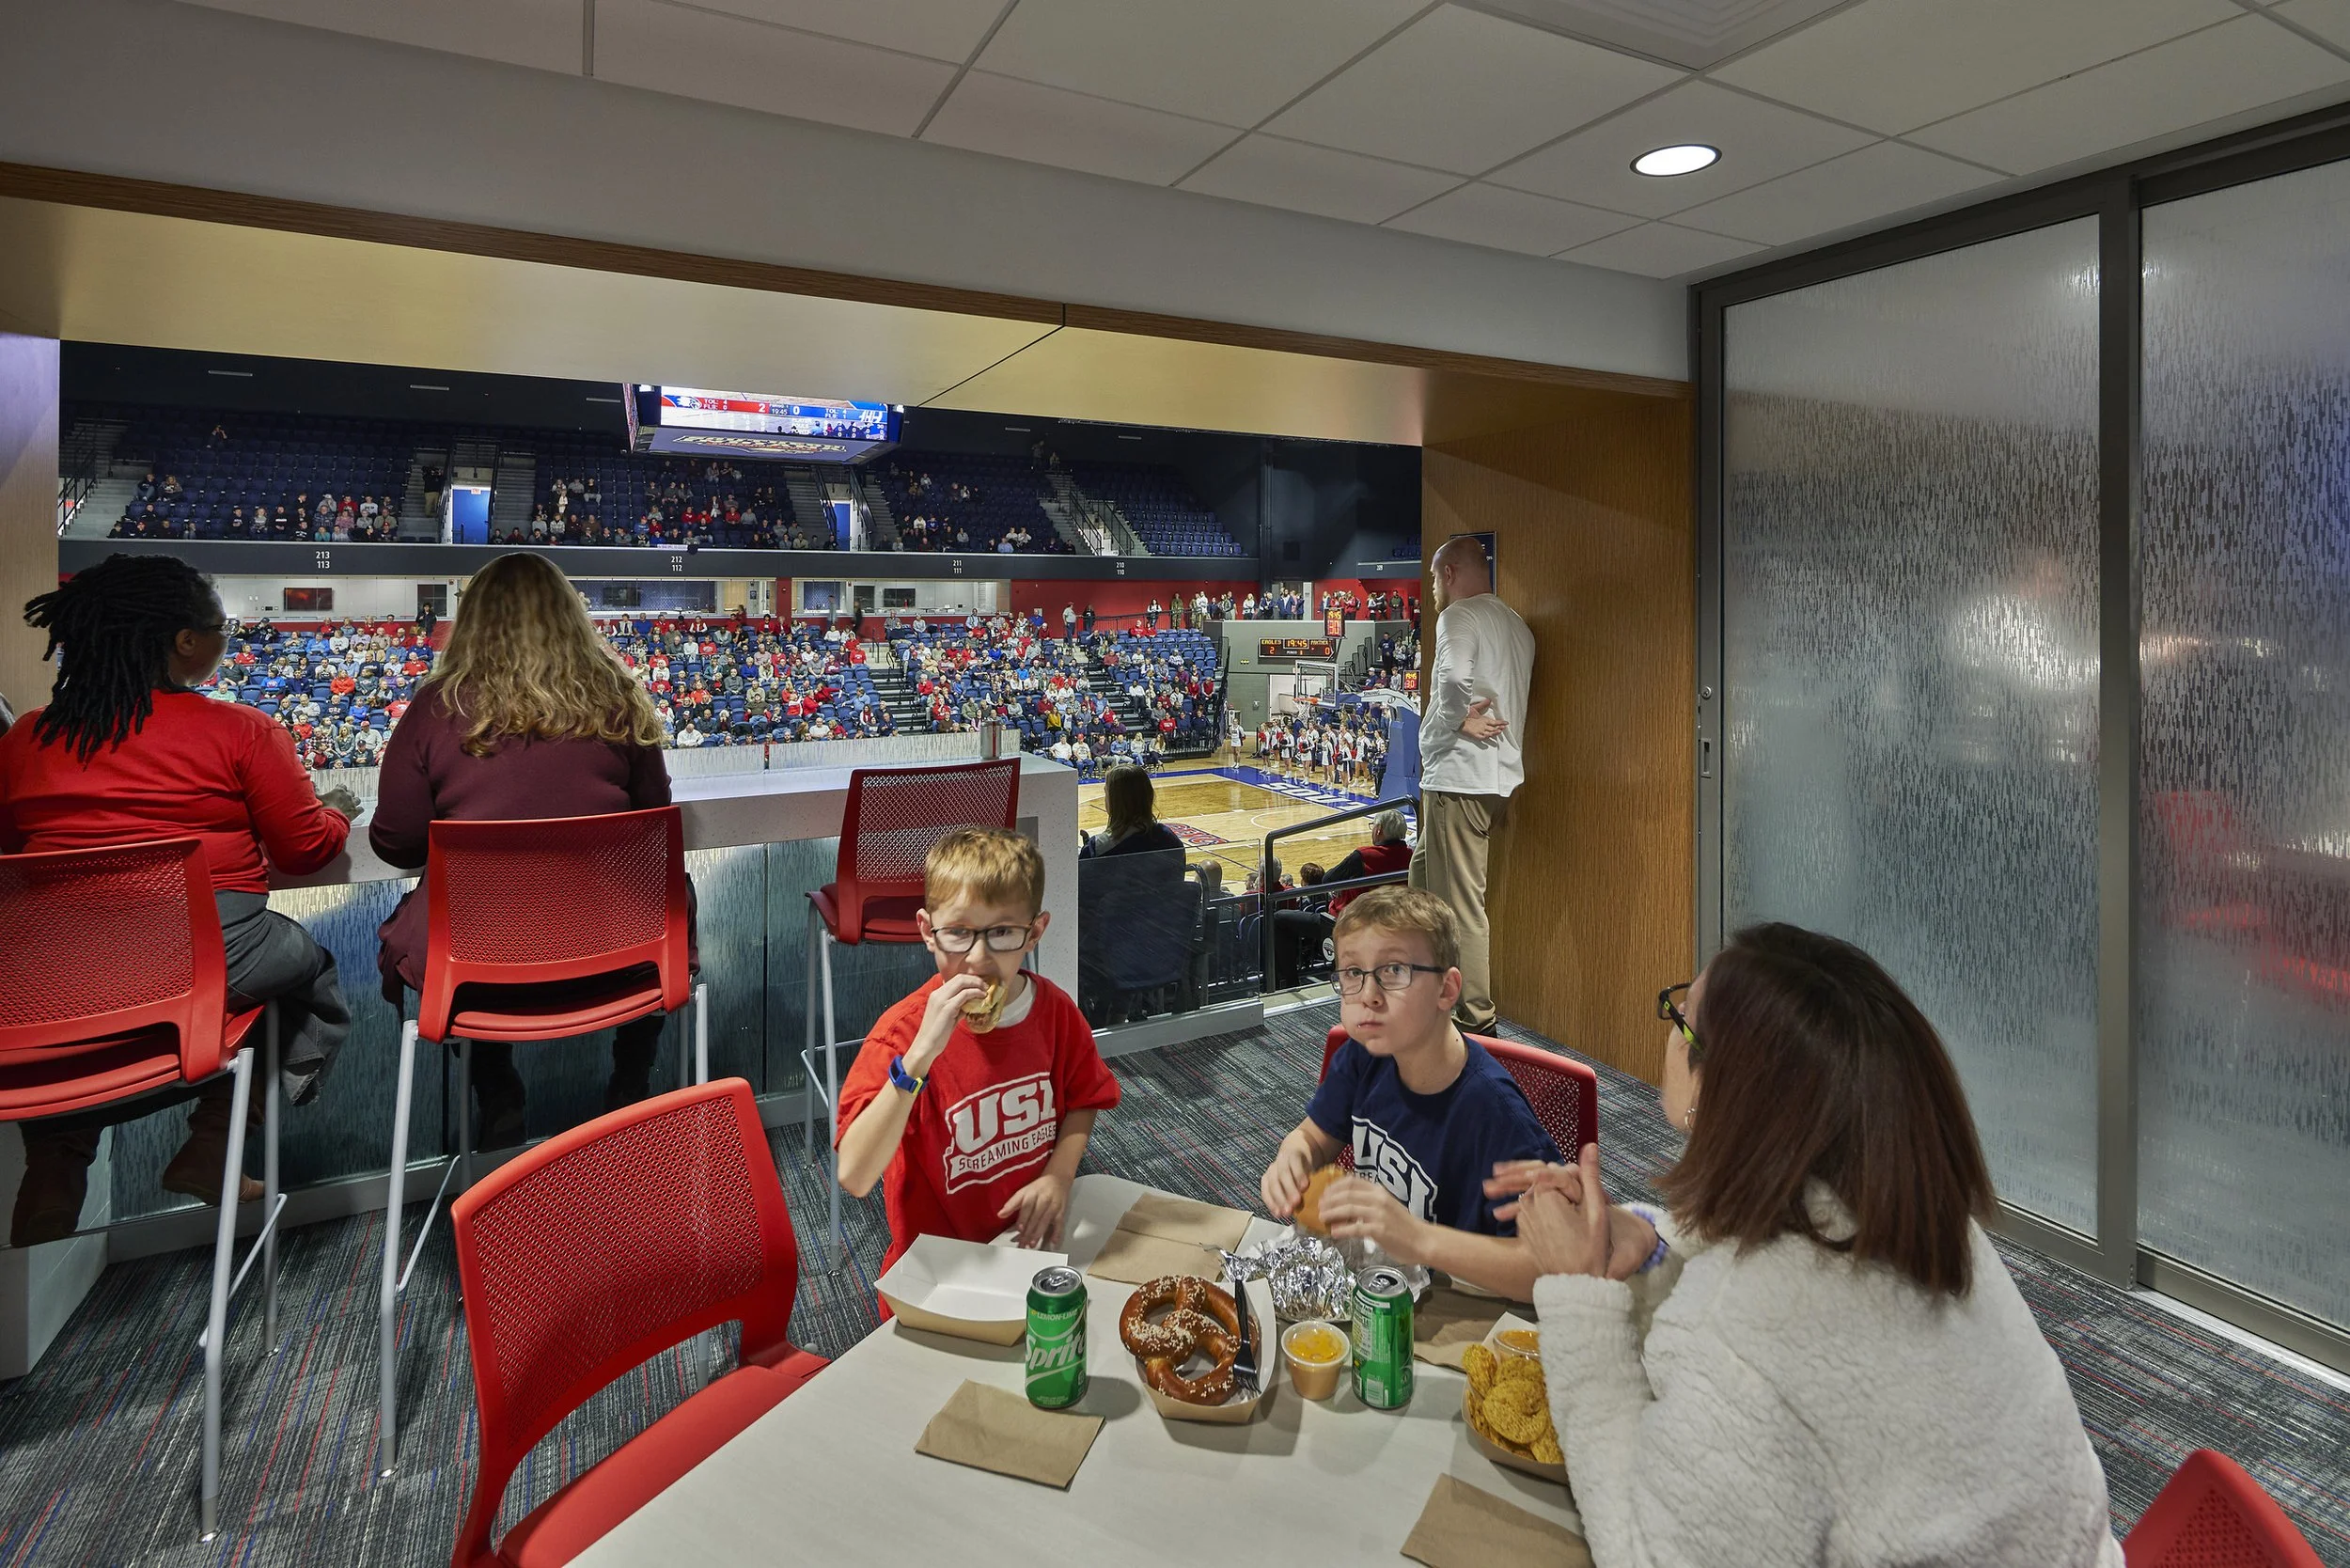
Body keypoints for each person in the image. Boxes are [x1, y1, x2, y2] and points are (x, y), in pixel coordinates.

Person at [1505, 924, 2124, 1567]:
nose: (1672, 1022)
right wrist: (1659, 1247)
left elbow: (1647, 1552)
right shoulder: (1914, 1213)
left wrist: (1579, 1294)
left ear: (1724, 1088)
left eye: (1683, 1018)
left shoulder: (1749, 1337)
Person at [0, 555, 357, 1245]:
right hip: (199, 957)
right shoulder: (243, 731)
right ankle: (216, 1142)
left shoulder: (25, 737)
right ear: (186, 642)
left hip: (49, 975)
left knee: (75, 1020)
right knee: (308, 969)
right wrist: (336, 810)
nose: (230, 639)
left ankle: (51, 1178)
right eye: (223, 627)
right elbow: (304, 850)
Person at [368, 553, 688, 1145]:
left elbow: (395, 842)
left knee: (468, 917)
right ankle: (630, 1081)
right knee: (669, 895)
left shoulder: (434, 708)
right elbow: (654, 819)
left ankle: (497, 1093)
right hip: (619, 950)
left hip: (483, 967)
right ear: (571, 618)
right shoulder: (619, 697)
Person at [834, 827, 1120, 1271]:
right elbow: (854, 1175)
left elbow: (1086, 1097)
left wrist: (1059, 1176)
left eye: (1002, 931)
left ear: (1035, 932)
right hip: (938, 1271)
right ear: (928, 931)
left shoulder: (1056, 1014)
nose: (978, 958)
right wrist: (918, 1058)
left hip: (1030, 1250)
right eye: (959, 933)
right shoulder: (902, 1036)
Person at [1259, 887, 1558, 1298]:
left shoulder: (1496, 1116)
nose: (1368, 995)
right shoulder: (1363, 1056)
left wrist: (1416, 1238)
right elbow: (1311, 1136)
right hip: (1381, 1291)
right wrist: (1292, 1156)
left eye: (1394, 971)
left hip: (1461, 1306)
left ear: (1446, 991)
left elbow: (1548, 1269)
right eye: (1352, 973)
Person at [1412, 534, 1532, 1033]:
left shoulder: (1458, 616)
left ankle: (1478, 1022)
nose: (1434, 590)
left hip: (1459, 780)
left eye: (1436, 578)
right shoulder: (1516, 625)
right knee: (1420, 884)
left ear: (1450, 573)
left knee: (1462, 906)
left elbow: (1452, 680)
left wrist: (1459, 719)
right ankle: (1422, 986)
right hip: (1493, 781)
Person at [1080, 762, 1183, 859]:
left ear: (1114, 801)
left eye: (1106, 793)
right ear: (1149, 796)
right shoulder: (1169, 838)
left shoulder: (1096, 848)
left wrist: (1088, 850)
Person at [1324, 809, 1412, 917]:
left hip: (1355, 918)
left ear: (1378, 830)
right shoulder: (1411, 855)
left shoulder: (1364, 855)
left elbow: (1327, 879)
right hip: (1396, 914)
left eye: (1373, 825)